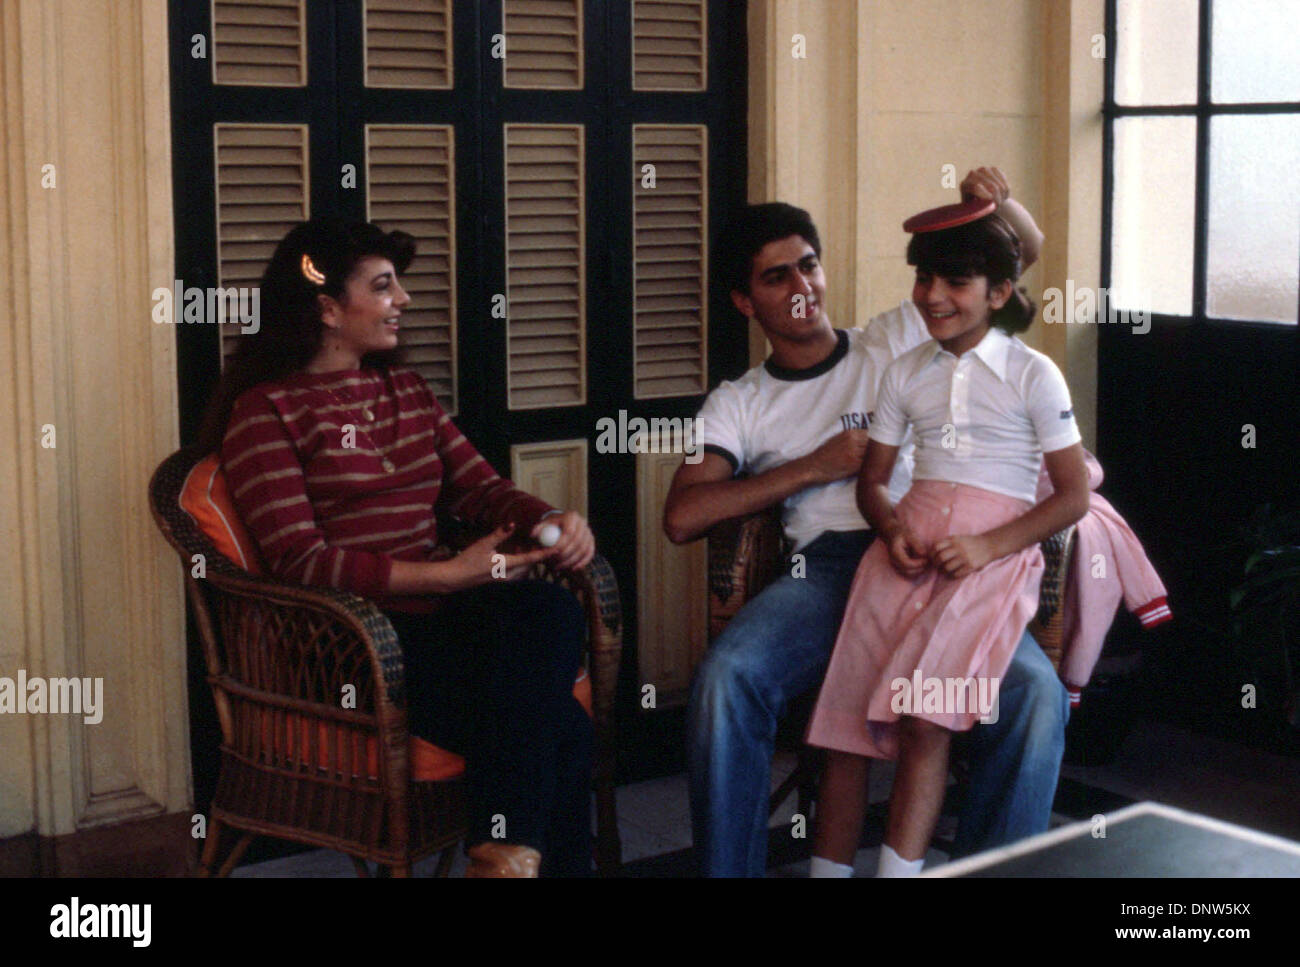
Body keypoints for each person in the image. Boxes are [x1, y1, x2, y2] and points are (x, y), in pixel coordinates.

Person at [665, 168, 1070, 877]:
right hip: (824, 569)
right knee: (727, 679)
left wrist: (1000, 201)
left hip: (940, 558)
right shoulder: (741, 401)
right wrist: (811, 467)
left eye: (809, 265)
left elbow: (1012, 261)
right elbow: (682, 516)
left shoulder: (894, 340)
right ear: (743, 299)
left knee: (1036, 695)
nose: (801, 286)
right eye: (774, 276)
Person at [196, 217, 597, 877]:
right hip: (351, 645)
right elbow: (303, 559)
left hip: (444, 626)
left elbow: (479, 488)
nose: (403, 301)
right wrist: (448, 576)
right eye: (384, 287)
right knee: (563, 723)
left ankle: (501, 854)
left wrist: (553, 520)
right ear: (327, 308)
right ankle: (506, 852)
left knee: (550, 614)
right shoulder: (266, 411)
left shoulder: (405, 391)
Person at [804, 206, 1090, 877]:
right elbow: (873, 483)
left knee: (927, 719)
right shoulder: (904, 373)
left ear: (999, 293)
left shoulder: (1034, 374)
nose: (932, 295)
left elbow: (1072, 495)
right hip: (903, 554)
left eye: (955, 282)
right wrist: (893, 527)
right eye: (924, 277)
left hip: (986, 562)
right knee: (843, 729)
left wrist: (990, 547)